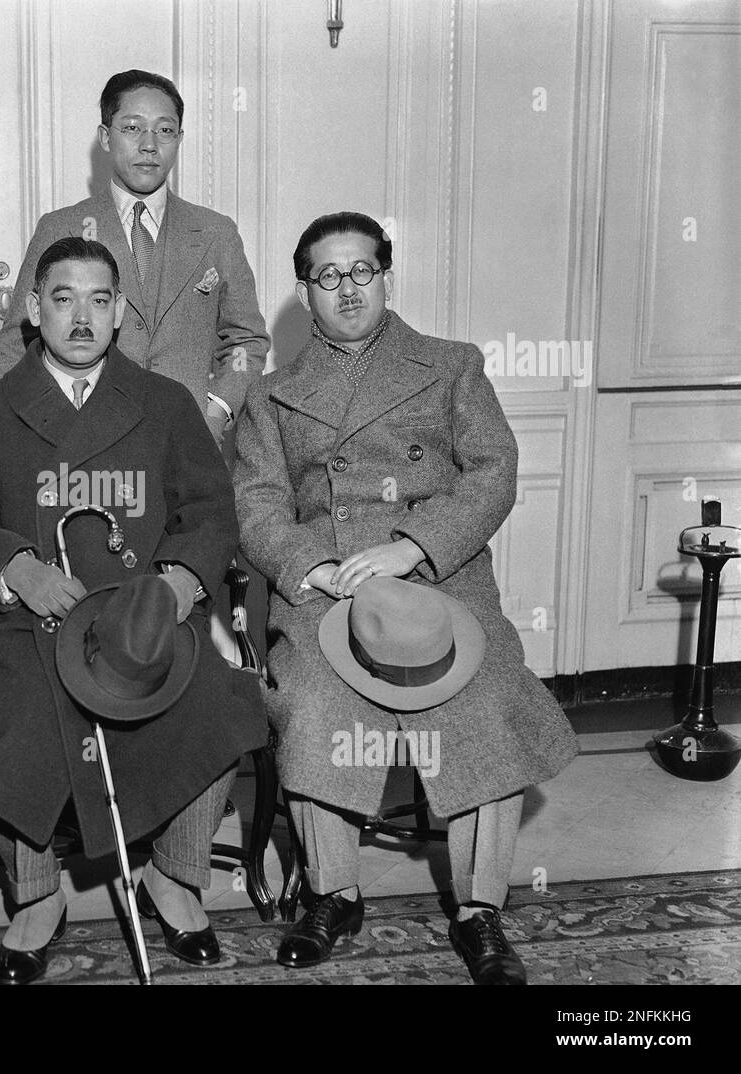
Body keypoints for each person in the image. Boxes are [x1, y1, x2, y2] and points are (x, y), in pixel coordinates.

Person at [233, 211, 578, 985]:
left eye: (362, 270)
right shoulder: (273, 395)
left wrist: (414, 546)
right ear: (304, 291)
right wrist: (316, 566)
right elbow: (255, 507)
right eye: (328, 276)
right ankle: (333, 893)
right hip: (331, 584)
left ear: (387, 275)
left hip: (439, 576)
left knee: (484, 698)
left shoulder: (451, 365)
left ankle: (480, 910)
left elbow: (494, 472)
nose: (347, 289)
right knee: (314, 699)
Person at [0, 236, 266, 985]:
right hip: (31, 621)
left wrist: (178, 583)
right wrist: (17, 568)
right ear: (33, 309)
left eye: (98, 299)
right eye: (62, 298)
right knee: (16, 704)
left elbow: (211, 510)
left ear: (120, 313)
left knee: (217, 699)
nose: (81, 316)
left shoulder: (164, 403)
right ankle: (36, 895)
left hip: (140, 616)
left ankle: (174, 878)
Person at [0, 69, 268, 449]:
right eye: (132, 128)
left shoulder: (217, 232)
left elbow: (246, 339)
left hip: (187, 441)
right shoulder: (60, 227)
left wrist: (216, 411)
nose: (150, 145)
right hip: (83, 441)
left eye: (165, 131)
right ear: (105, 136)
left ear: (179, 139)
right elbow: (18, 340)